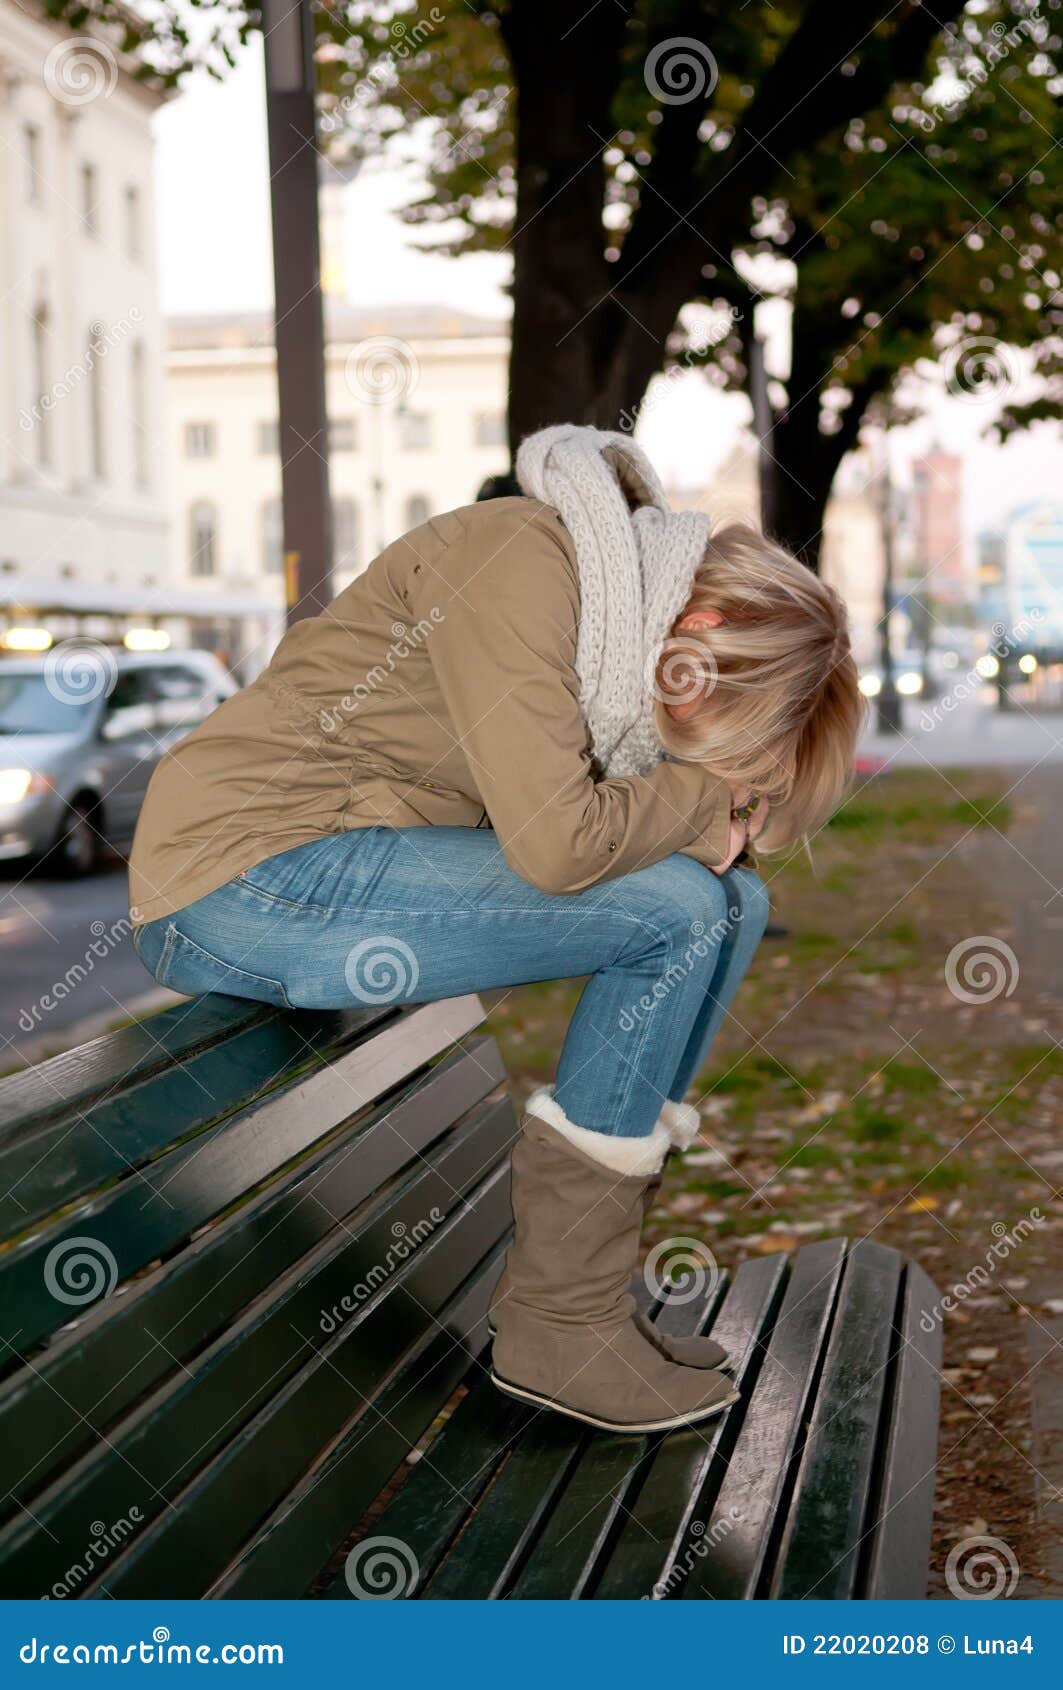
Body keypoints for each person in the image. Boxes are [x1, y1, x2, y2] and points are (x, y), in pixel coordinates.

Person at [129, 425, 863, 1435]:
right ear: (692, 633)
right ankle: (559, 1327)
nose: (691, 773)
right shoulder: (522, 565)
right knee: (682, 910)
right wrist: (697, 804)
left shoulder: (604, 620)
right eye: (713, 751)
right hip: (241, 877)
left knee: (736, 906)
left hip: (336, 868)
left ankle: (586, 1301)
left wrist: (711, 814)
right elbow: (558, 845)